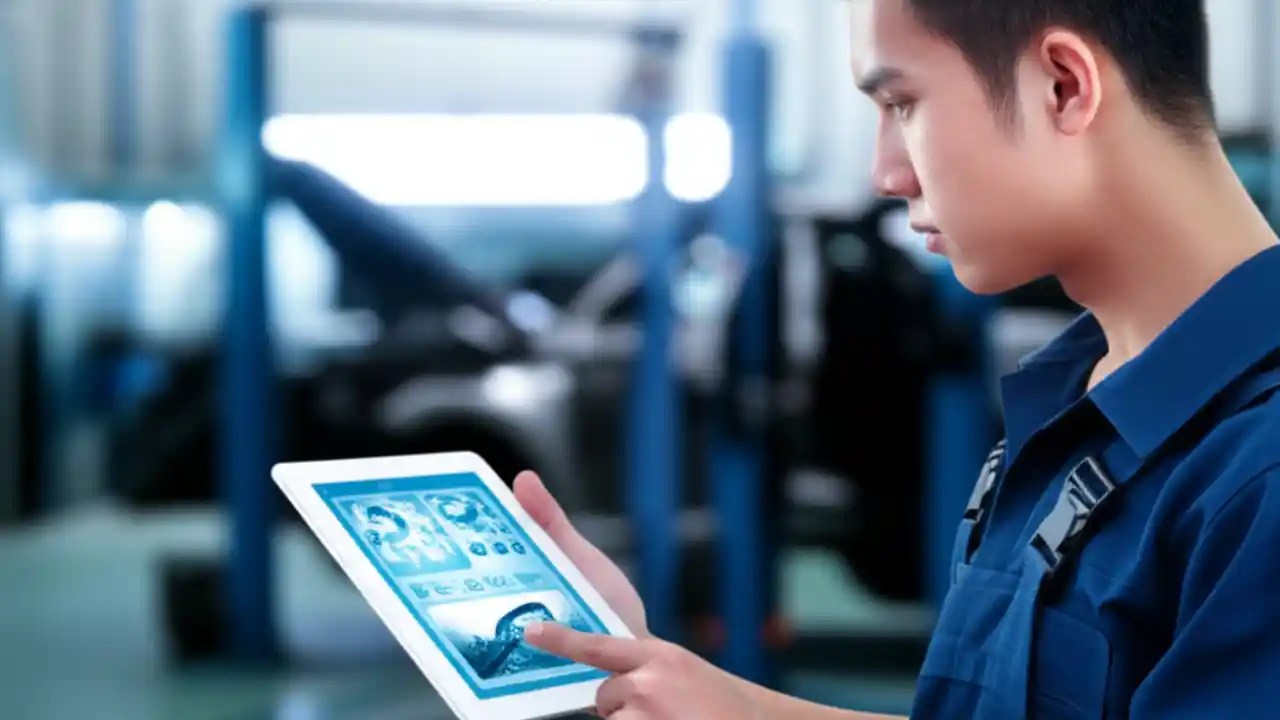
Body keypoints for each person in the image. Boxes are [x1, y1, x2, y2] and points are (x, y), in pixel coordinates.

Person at [514, 0, 1280, 716]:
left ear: (1063, 86)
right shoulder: (1080, 405)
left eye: (902, 104)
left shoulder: (1260, 473)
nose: (886, 172)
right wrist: (686, 690)